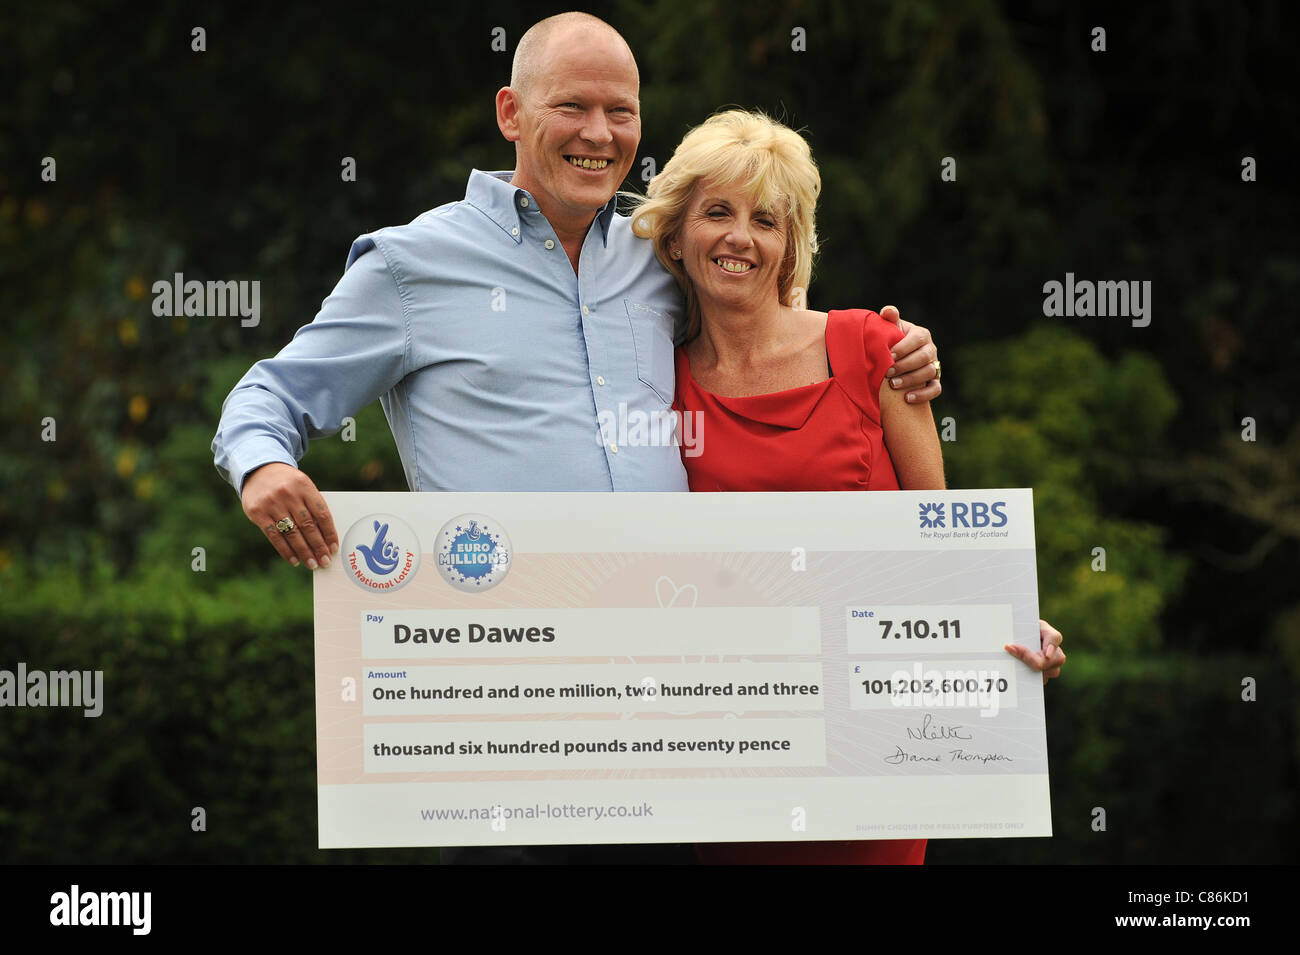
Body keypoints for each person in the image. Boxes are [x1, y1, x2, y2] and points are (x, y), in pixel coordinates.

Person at [211, 13, 945, 864]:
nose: (600, 134)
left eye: (622, 112)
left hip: (673, 741)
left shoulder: (657, 257)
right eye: (573, 106)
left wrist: (901, 348)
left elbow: (765, 313)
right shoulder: (410, 267)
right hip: (505, 726)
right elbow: (269, 392)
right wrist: (262, 463)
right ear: (510, 112)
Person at [630, 109, 1066, 865]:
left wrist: (1011, 623)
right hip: (737, 753)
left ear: (789, 247)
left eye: (766, 219)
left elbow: (944, 533)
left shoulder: (874, 348)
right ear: (675, 235)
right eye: (717, 213)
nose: (740, 236)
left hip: (880, 744)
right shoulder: (653, 388)